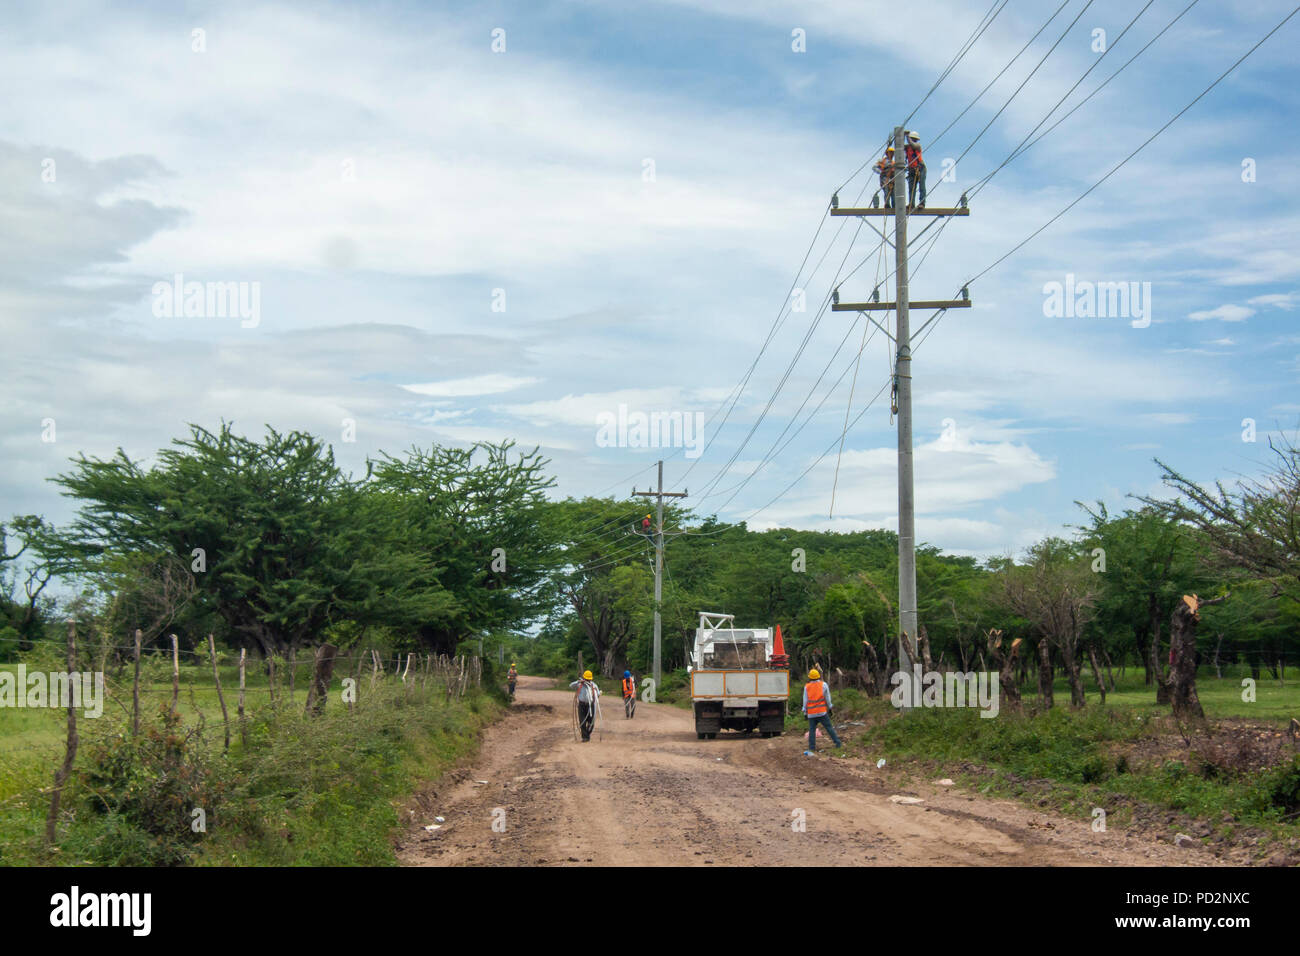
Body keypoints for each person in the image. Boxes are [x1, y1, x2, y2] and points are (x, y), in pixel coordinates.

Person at [802, 668, 843, 754]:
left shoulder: (807, 687)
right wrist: (830, 707)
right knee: (829, 728)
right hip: (822, 712)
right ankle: (838, 743)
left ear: (810, 677)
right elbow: (828, 698)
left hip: (811, 714)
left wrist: (805, 712)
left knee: (812, 730)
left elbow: (805, 701)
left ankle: (812, 747)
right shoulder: (823, 685)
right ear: (819, 676)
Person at [570, 670, 601, 741]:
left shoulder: (593, 685)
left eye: (589, 679)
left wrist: (597, 694)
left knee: (591, 722)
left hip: (591, 705)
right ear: (584, 678)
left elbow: (598, 694)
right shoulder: (579, 684)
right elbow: (571, 685)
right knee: (582, 721)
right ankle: (585, 737)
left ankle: (587, 734)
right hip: (581, 705)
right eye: (586, 679)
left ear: (591, 679)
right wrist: (578, 681)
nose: (587, 680)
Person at [904, 131, 926, 210]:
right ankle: (911, 204)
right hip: (911, 169)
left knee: (921, 186)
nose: (913, 140)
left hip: (920, 168)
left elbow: (913, 145)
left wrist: (907, 136)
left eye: (913, 139)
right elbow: (899, 146)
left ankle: (922, 203)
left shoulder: (917, 146)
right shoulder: (907, 148)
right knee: (911, 188)